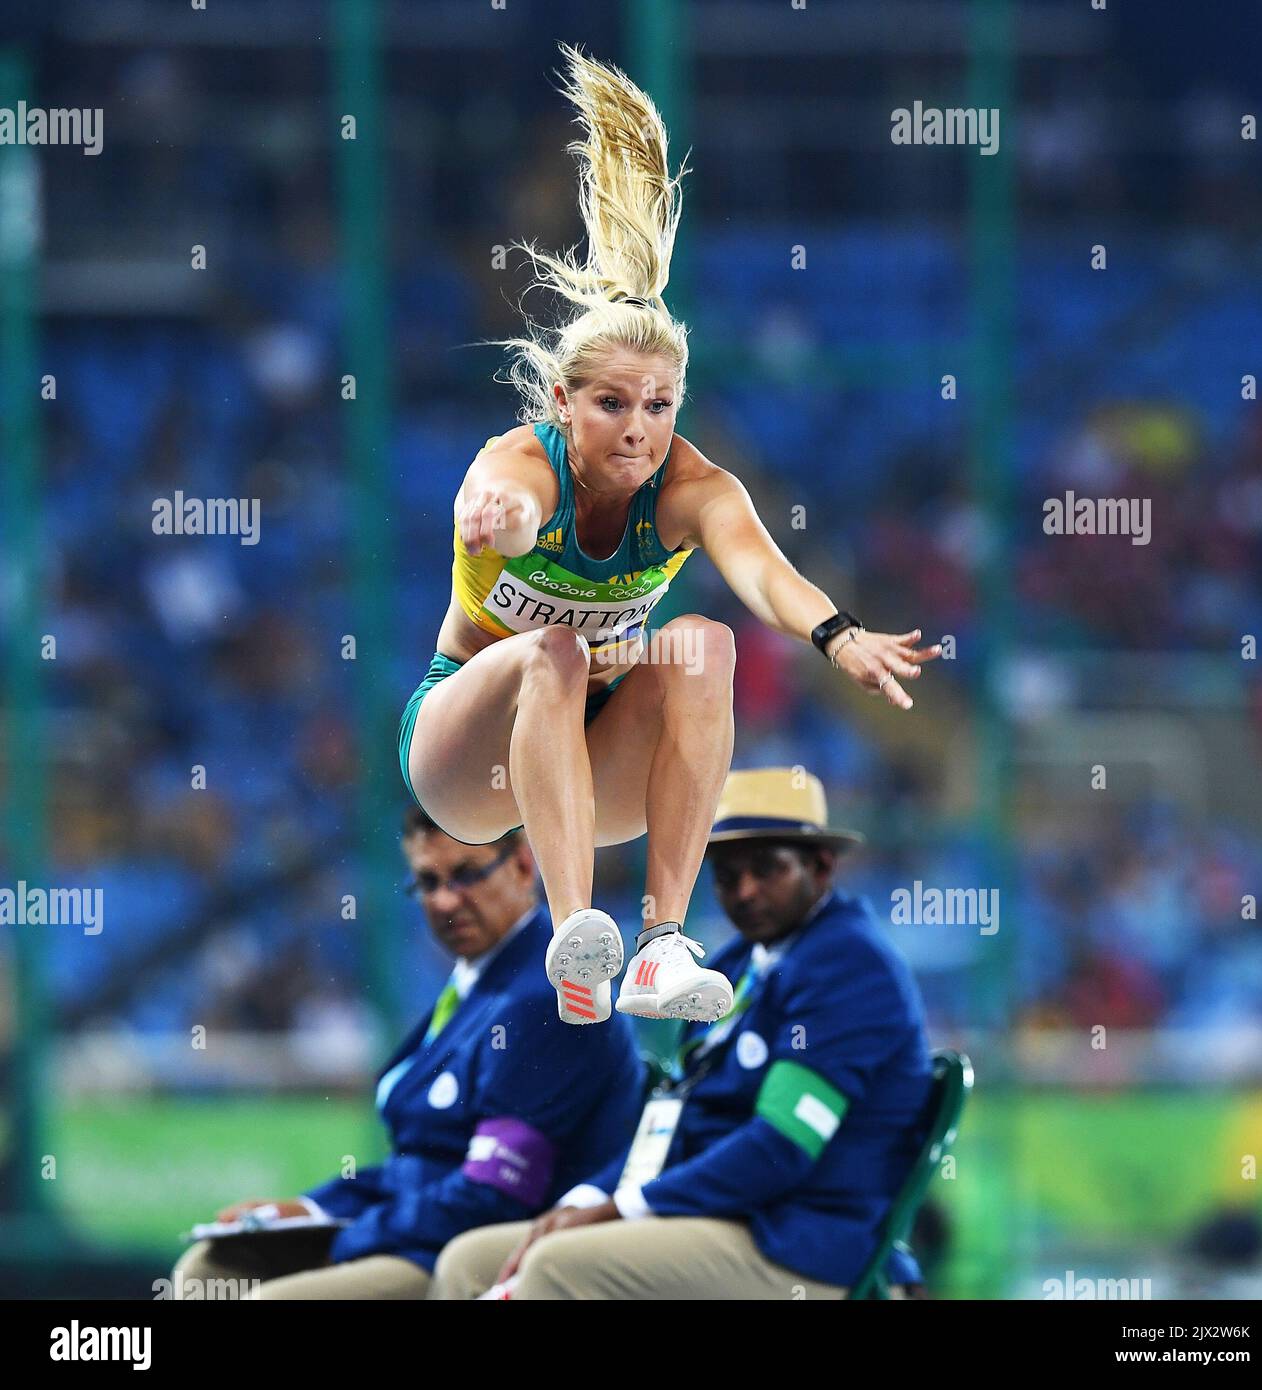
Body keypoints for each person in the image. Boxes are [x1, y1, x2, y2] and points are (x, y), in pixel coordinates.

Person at [399, 43, 940, 1027]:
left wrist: (837, 633)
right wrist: (499, 522)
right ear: (564, 403)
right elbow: (512, 513)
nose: (638, 427)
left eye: (658, 403)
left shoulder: (693, 485)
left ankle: (656, 946)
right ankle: (575, 937)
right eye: (612, 404)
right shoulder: (519, 466)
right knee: (551, 650)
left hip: (590, 762)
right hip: (464, 759)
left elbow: (765, 574)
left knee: (703, 645)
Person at [432, 768, 935, 1301]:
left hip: (799, 1242)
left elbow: (781, 1146)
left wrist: (624, 1207)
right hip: (723, 1218)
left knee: (556, 1268)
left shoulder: (850, 967)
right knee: (469, 1262)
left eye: (767, 870)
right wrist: (586, 1198)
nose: (744, 892)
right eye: (726, 874)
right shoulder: (738, 963)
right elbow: (678, 1120)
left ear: (822, 866)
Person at [171, 806, 643, 1299]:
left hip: (471, 1251)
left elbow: (494, 1194)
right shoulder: (476, 982)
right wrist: (310, 1211)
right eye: (427, 882)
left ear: (525, 866)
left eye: (465, 875)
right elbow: (417, 1166)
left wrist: (353, 1234)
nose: (444, 901)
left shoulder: (547, 992)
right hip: (418, 1232)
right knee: (209, 1273)